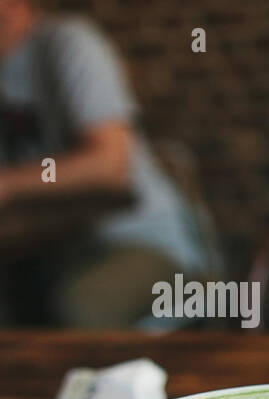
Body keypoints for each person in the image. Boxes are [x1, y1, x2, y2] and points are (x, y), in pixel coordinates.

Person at [0, 1, 206, 328]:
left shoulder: (70, 41)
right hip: (53, 252)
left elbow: (110, 165)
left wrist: (8, 184)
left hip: (143, 242)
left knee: (79, 305)